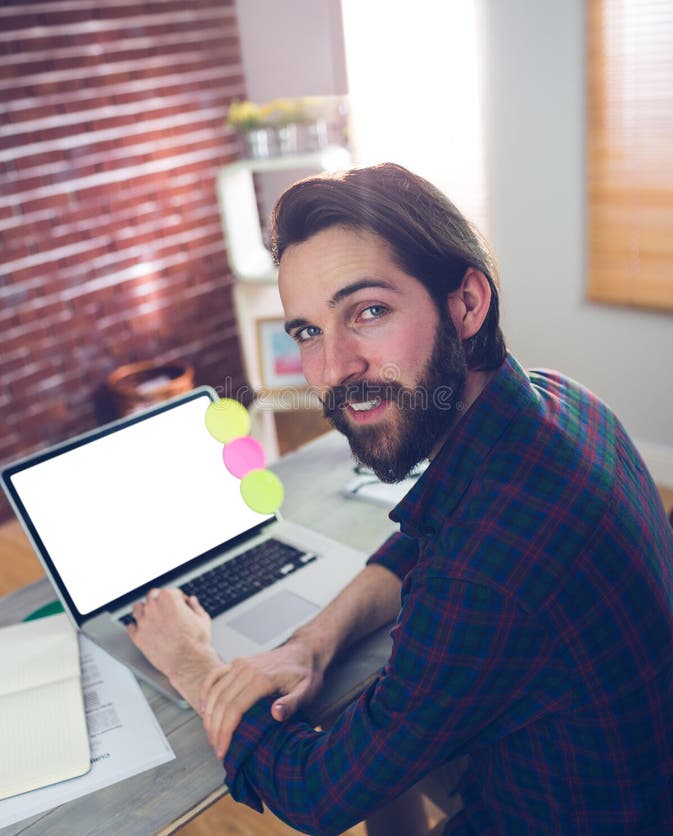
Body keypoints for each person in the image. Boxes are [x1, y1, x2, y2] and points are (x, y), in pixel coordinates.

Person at [128, 163, 673, 835]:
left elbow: (318, 795)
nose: (334, 369)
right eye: (307, 331)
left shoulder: (487, 570)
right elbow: (428, 534)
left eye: (369, 312)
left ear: (466, 303)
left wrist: (192, 663)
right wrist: (310, 642)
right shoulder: (561, 400)